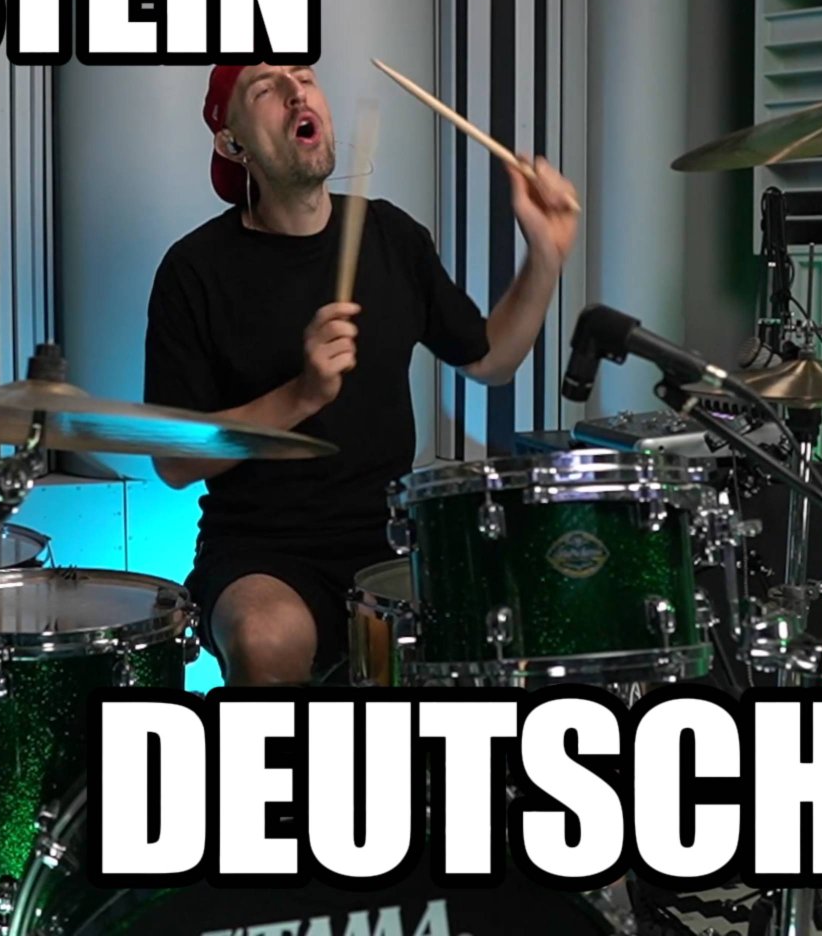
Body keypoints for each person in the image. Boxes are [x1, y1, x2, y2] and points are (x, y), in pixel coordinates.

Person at [142, 63, 579, 686]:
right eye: (265, 89)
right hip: (259, 550)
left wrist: (546, 256)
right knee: (267, 639)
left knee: (513, 612)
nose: (296, 91)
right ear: (233, 143)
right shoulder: (194, 270)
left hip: (394, 538)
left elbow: (491, 359)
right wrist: (301, 395)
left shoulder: (391, 237)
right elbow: (174, 460)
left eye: (304, 77)